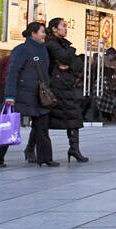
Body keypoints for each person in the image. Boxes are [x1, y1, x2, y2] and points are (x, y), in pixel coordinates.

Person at [0, 21, 54, 168]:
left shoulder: (43, 50)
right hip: (21, 95)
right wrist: (10, 95)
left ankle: (45, 158)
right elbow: (12, 74)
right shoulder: (21, 50)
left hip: (38, 95)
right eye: (42, 31)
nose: (44, 34)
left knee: (42, 127)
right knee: (9, 126)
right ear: (33, 33)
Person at [42, 17, 87, 163]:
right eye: (63, 26)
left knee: (73, 115)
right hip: (55, 86)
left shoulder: (63, 44)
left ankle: (74, 148)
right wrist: (67, 57)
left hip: (66, 85)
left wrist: (67, 61)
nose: (66, 28)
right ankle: (31, 148)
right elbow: (65, 57)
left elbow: (77, 63)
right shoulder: (50, 44)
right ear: (54, 29)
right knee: (44, 119)